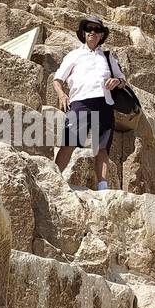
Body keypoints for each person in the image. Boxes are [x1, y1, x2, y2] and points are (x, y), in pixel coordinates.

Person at [52, 15, 126, 192]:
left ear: (101, 35)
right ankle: (54, 178)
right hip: (81, 102)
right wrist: (62, 95)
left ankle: (102, 186)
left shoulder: (108, 57)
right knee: (69, 142)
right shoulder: (74, 55)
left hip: (104, 103)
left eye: (97, 30)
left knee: (102, 147)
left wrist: (116, 82)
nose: (93, 32)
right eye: (89, 29)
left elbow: (123, 80)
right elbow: (57, 79)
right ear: (84, 33)